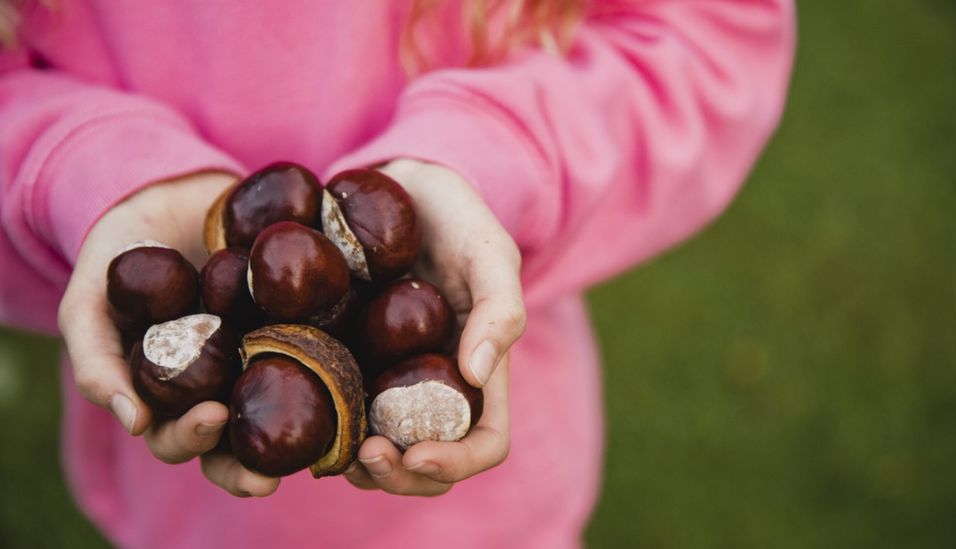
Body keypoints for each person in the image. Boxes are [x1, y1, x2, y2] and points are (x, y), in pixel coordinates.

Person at [0, 1, 795, 547]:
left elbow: (708, 36)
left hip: (494, 515)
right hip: (179, 517)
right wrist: (78, 171)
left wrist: (504, 157)